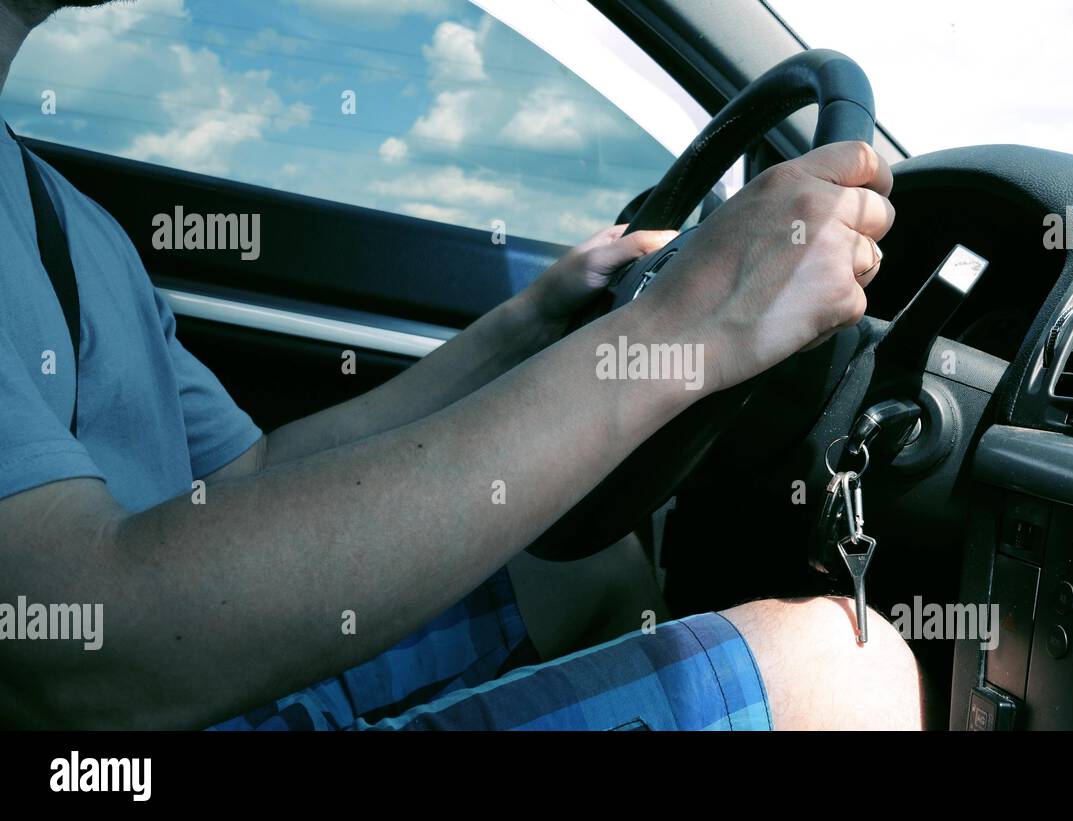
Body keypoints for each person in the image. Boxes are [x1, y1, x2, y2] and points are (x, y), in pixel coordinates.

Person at [0, 0, 921, 730]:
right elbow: (89, 656)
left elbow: (250, 474)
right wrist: (687, 325)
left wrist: (525, 323)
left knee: (588, 573)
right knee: (850, 673)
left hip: (188, 680)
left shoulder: (64, 214)